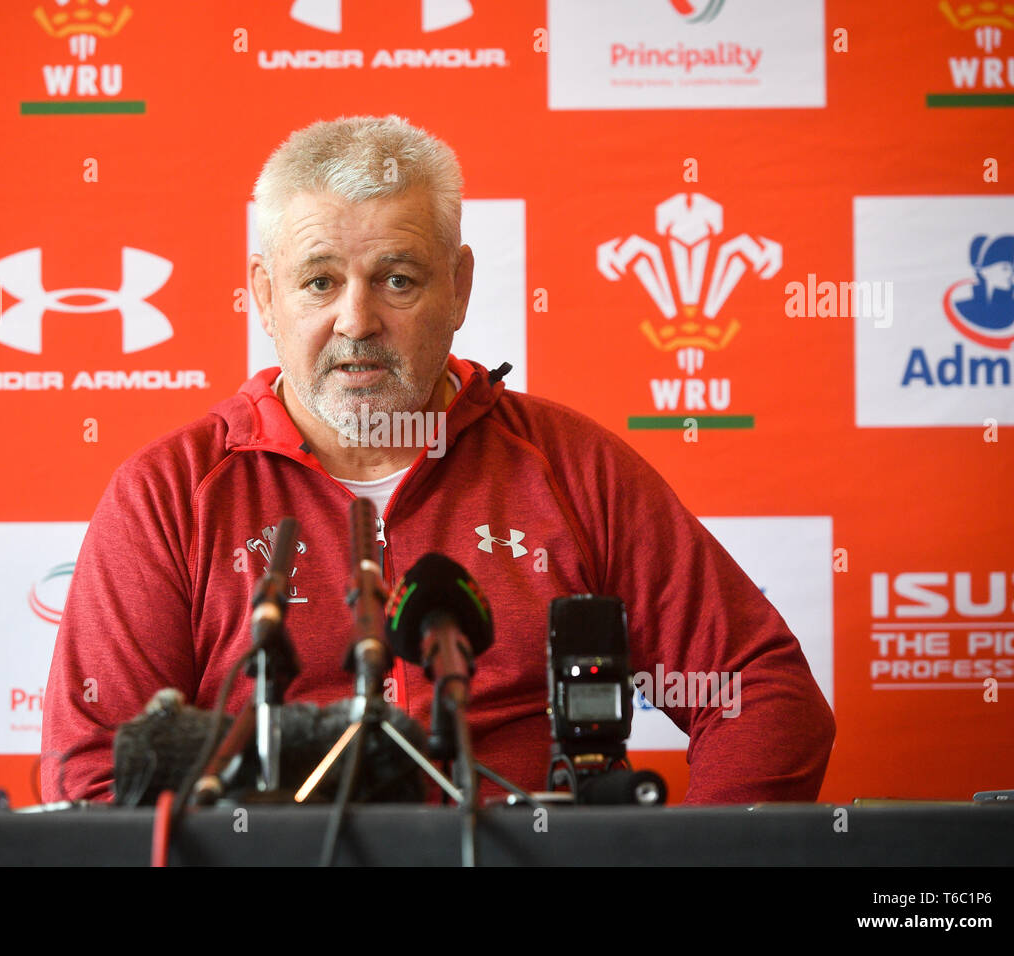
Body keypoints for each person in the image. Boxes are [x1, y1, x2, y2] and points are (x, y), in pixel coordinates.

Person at [41, 115, 835, 805]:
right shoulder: (170, 496)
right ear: (264, 295)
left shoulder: (571, 468)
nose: (358, 320)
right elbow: (93, 772)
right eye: (320, 281)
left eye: (397, 280)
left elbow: (760, 693)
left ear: (458, 288)